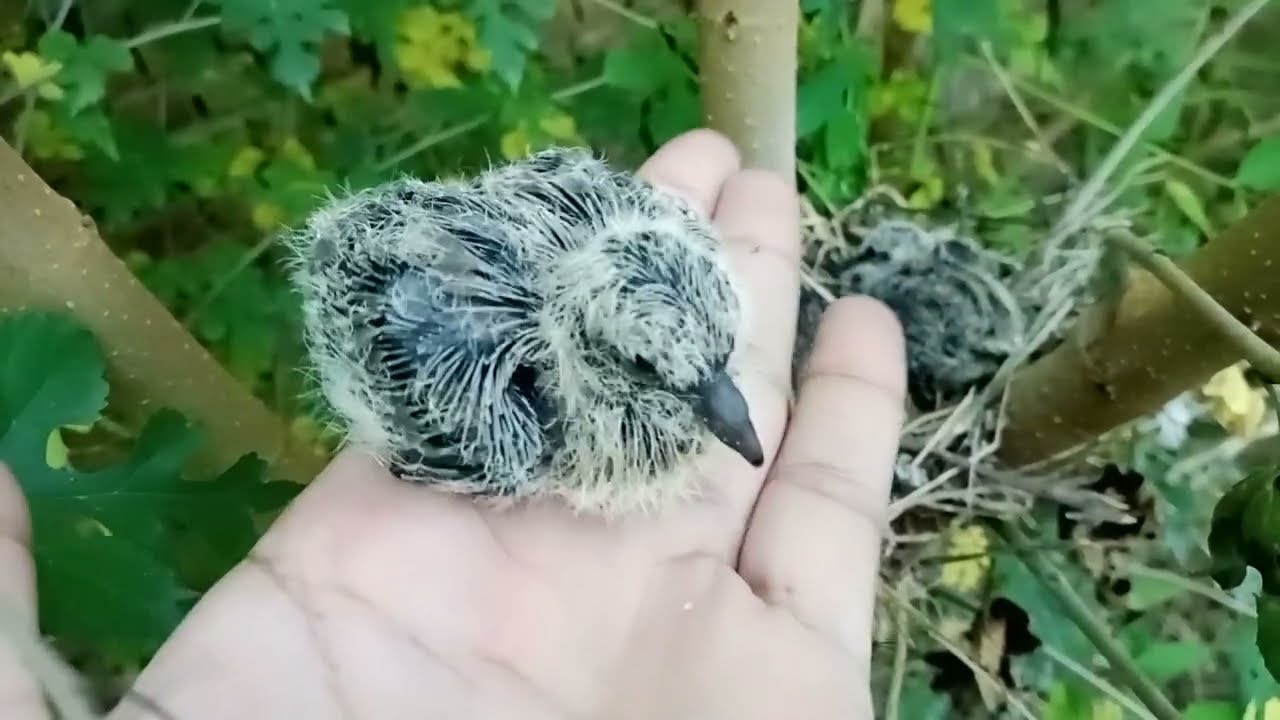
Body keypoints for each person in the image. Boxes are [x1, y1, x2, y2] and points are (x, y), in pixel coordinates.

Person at [0, 129, 906, 719]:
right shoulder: (509, 417)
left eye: (712, 374)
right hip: (411, 274)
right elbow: (364, 261)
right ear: (602, 354)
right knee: (488, 442)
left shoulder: (673, 257)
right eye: (659, 376)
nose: (728, 411)